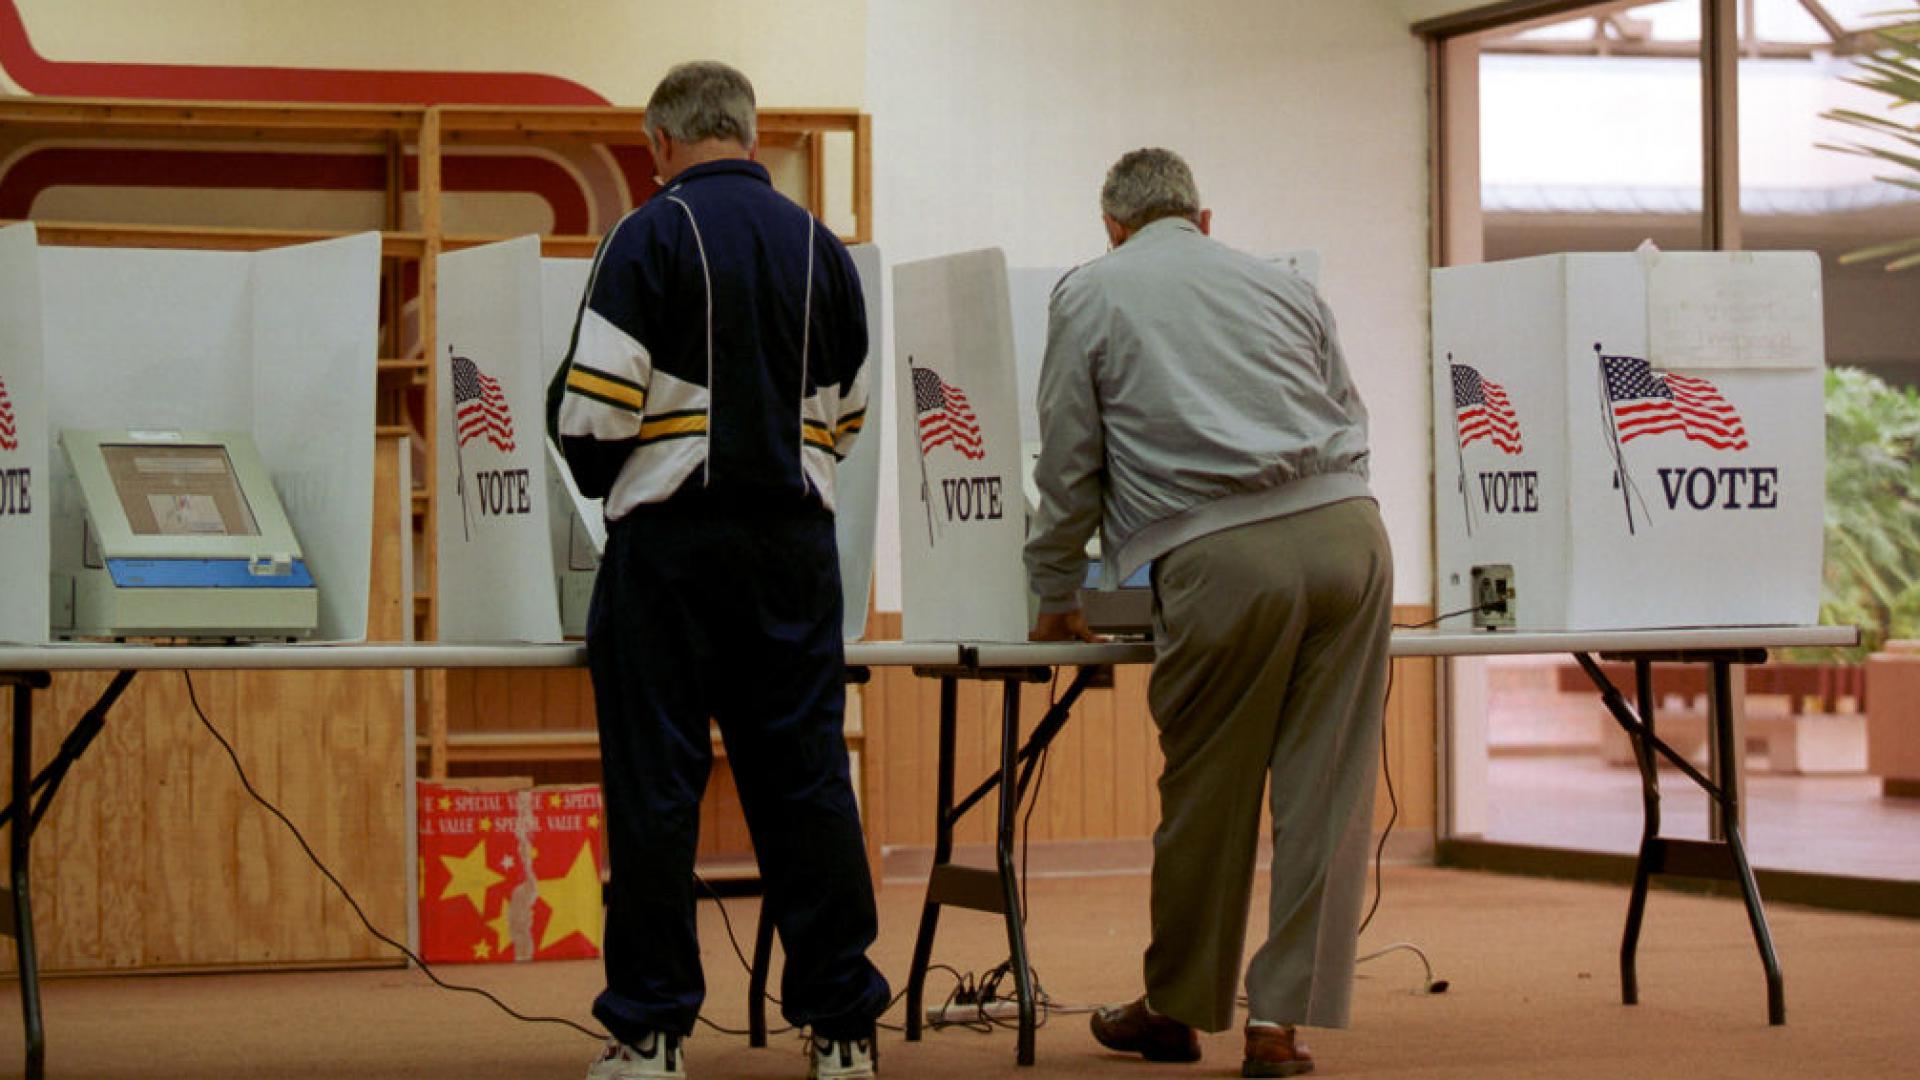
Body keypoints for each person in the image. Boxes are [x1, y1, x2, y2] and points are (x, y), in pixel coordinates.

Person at [549, 60, 889, 1080]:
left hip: (672, 556)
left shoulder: (647, 235)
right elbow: (849, 413)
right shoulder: (824, 249)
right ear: (751, 133)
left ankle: (652, 1036)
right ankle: (842, 1036)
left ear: (659, 144)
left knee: (658, 792)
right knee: (811, 786)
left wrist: (634, 474)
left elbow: (593, 416)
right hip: (795, 551)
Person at [1024, 148, 1392, 1078]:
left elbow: (1068, 461)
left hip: (1222, 557)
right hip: (1351, 537)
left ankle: (1179, 1009)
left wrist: (1055, 590)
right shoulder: (1285, 288)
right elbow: (1348, 411)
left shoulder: (1091, 291)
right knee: (1326, 794)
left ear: (1113, 226)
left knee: (1208, 794)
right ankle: (1279, 1026)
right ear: (1204, 218)